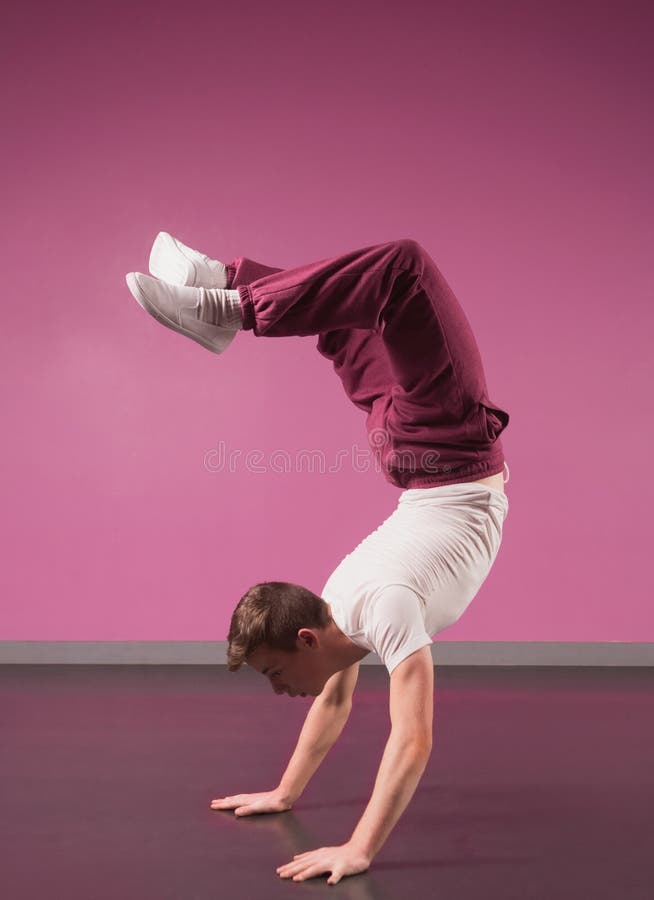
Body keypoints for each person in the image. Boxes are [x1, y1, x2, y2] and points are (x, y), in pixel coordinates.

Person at [125, 233, 511, 884]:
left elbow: (411, 739)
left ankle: (229, 297)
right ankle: (227, 290)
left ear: (308, 636)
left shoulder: (364, 603)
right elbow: (337, 708)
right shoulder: (351, 603)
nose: (280, 692)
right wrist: (284, 794)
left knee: (397, 274)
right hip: (420, 451)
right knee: (353, 313)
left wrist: (357, 849)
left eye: (276, 673)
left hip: (443, 447)